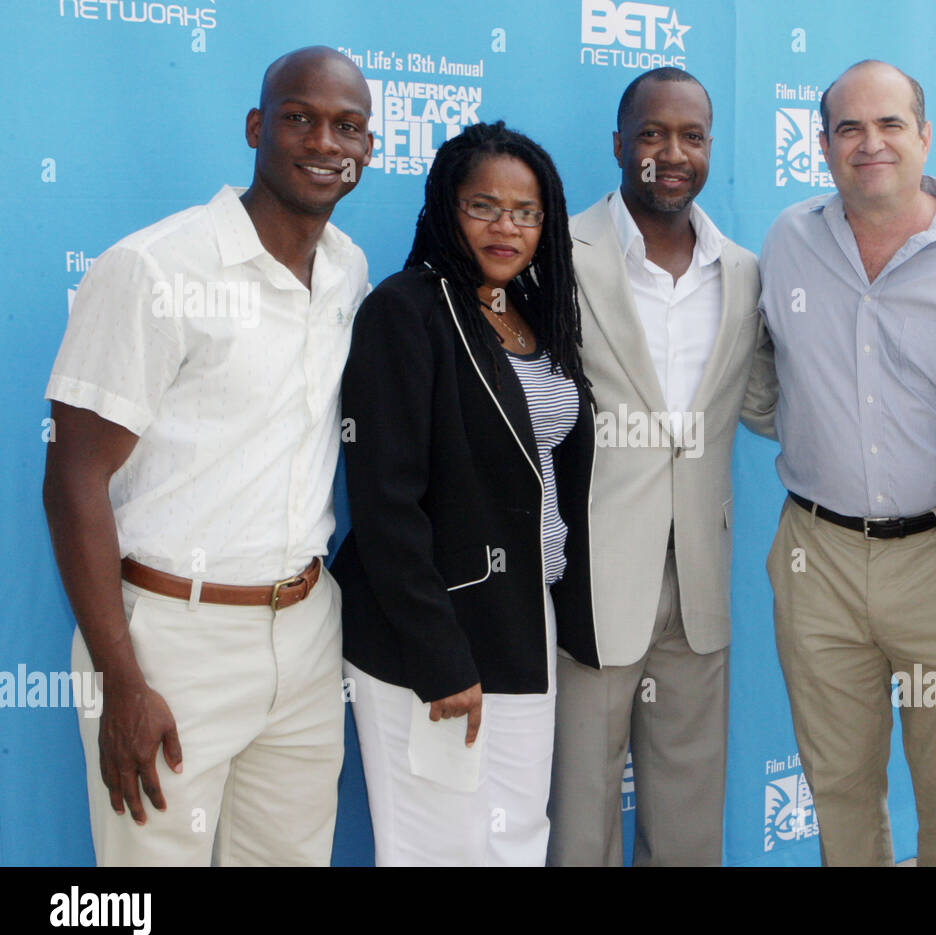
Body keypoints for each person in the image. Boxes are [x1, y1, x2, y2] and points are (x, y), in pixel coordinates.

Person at [42, 46, 373, 866]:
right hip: (169, 643)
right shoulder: (156, 267)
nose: (324, 141)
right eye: (300, 118)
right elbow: (74, 479)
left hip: (304, 631)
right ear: (258, 128)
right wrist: (123, 678)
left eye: (348, 126)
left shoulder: (347, 270)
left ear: (368, 148)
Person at [745, 59, 936, 866]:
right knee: (837, 784)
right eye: (849, 127)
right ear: (822, 144)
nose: (869, 143)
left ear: (925, 136)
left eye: (889, 124)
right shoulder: (789, 240)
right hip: (818, 555)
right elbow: (762, 375)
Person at [331, 120, 597, 867]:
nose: (507, 226)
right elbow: (384, 502)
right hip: (436, 626)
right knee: (438, 845)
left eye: (527, 211)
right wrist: (440, 657)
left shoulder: (531, 313)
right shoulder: (406, 311)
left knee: (514, 834)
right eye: (484, 206)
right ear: (447, 207)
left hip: (523, 614)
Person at [546, 68, 761, 867]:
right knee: (581, 811)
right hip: (591, 577)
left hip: (700, 578)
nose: (672, 153)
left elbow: (767, 397)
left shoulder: (740, 272)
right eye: (653, 133)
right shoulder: (557, 253)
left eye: (692, 136)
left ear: (710, 146)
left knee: (689, 811)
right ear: (619, 144)